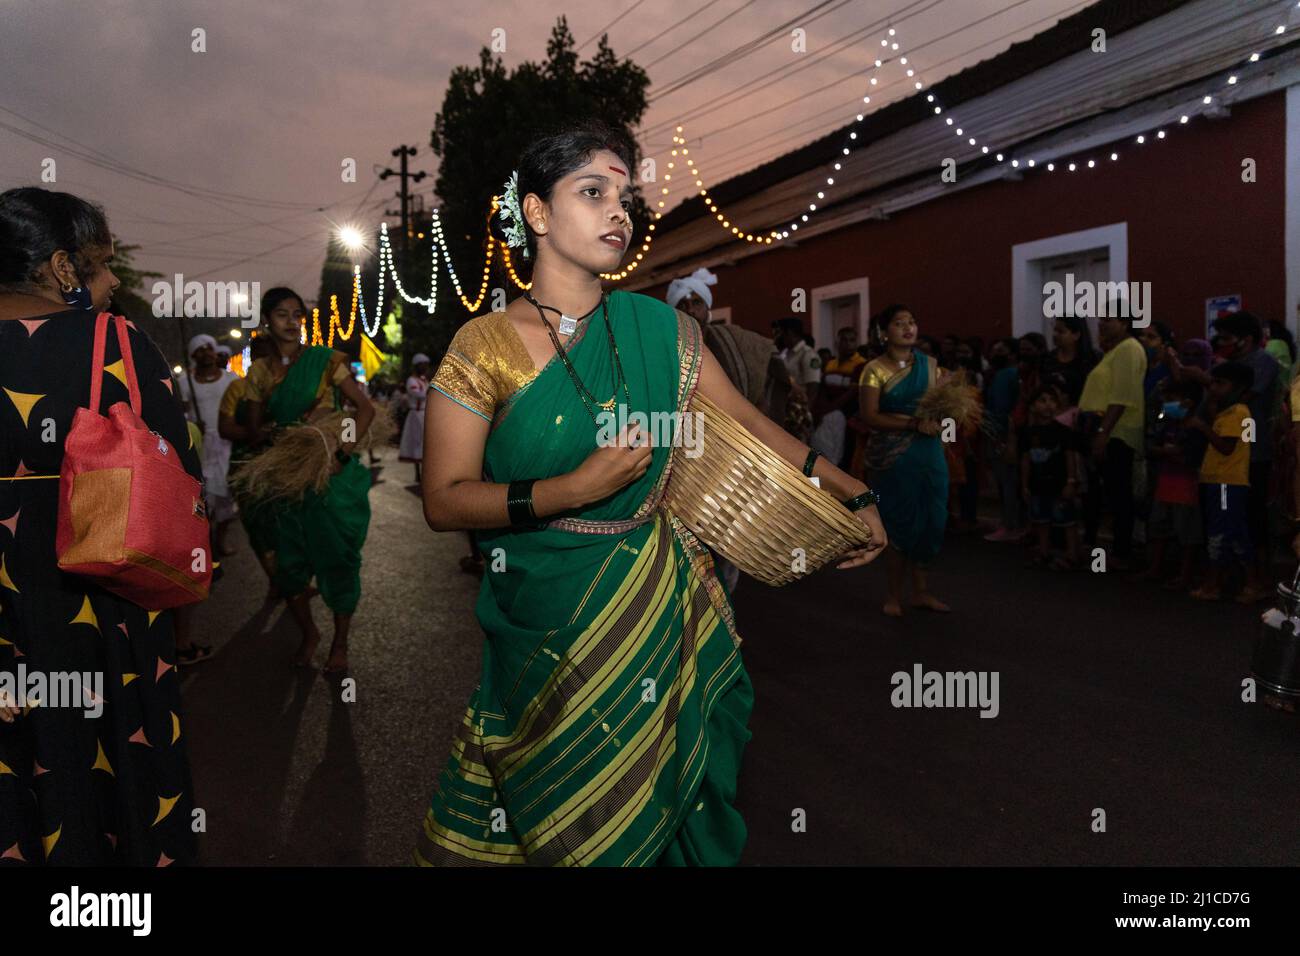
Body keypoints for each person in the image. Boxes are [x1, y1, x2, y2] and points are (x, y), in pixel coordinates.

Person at [413, 121, 885, 867]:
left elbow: (750, 424)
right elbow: (443, 499)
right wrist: (568, 490)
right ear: (537, 214)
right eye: (594, 192)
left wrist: (852, 491)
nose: (619, 213)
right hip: (545, 620)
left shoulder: (658, 329)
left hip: (655, 604)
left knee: (660, 801)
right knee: (559, 809)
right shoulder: (484, 347)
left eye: (626, 197)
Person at [0, 186, 199, 864]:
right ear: (62, 269)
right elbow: (182, 475)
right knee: (118, 799)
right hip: (105, 624)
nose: (112, 281)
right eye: (102, 263)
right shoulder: (116, 344)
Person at [243, 287, 376, 673]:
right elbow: (253, 432)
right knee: (289, 566)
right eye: (282, 314)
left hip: (330, 475)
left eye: (297, 314)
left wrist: (341, 453)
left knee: (338, 558)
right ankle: (309, 633)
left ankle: (339, 643)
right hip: (287, 478)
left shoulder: (324, 361)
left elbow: (363, 409)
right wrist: (282, 431)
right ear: (267, 321)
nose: (291, 322)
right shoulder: (259, 373)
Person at [665, 267, 781, 595]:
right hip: (680, 463)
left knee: (725, 542)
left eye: (696, 303)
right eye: (683, 304)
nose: (690, 309)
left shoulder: (733, 345)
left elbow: (767, 386)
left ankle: (720, 616)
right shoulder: (663, 349)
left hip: (730, 462)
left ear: (707, 309)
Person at [860, 304, 949, 616]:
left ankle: (921, 591)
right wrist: (912, 424)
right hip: (893, 456)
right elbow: (870, 416)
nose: (908, 327)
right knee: (898, 519)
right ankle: (894, 594)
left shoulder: (931, 366)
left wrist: (950, 405)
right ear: (885, 332)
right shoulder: (874, 370)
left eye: (912, 321)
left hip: (929, 451)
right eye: (899, 323)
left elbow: (941, 409)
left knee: (932, 517)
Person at [1188, 362, 1266, 602]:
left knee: (1221, 534)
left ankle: (1216, 585)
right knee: (1233, 532)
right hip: (1221, 481)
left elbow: (1225, 448)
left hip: (1226, 483)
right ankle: (1246, 584)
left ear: (1239, 387)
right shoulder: (1228, 412)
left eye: (1220, 383)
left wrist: (1202, 427)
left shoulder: (1238, 412)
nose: (1214, 388)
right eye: (1213, 382)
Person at [1078, 312, 1147, 570]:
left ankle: (1122, 552)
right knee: (1109, 493)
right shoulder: (1115, 351)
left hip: (1118, 431)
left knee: (1120, 495)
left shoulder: (1129, 349)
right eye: (1101, 319)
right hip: (1106, 429)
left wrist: (1102, 433)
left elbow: (1122, 396)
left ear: (1125, 323)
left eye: (1109, 319)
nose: (1102, 324)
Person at [218, 332, 280, 593]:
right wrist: (259, 433)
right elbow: (225, 428)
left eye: (267, 355)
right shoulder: (237, 389)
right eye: (258, 355)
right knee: (256, 524)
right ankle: (276, 581)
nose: (261, 361)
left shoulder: (285, 386)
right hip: (247, 465)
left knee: (284, 525)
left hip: (282, 465)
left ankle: (292, 580)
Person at [1133, 379, 1204, 589]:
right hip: (1166, 482)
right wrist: (1168, 452)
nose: (1166, 403)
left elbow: (1189, 457)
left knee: (1187, 533)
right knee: (1159, 527)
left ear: (1188, 403)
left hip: (1186, 486)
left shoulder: (1196, 428)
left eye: (1171, 399)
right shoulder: (1168, 424)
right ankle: (1155, 569)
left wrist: (1166, 452)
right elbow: (1153, 448)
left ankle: (1185, 575)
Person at [178, 333, 239, 556]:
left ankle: (220, 539)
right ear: (193, 355)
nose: (205, 353)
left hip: (227, 443)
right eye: (199, 349)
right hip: (201, 446)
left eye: (208, 348)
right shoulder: (185, 383)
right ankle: (204, 543)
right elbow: (179, 414)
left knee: (226, 497)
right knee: (204, 497)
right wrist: (191, 424)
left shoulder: (231, 379)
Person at [1018, 385, 1083, 570]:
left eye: (1052, 400)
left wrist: (1071, 480)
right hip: (1038, 483)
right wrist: (1024, 485)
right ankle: (1044, 551)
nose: (1048, 405)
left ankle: (1072, 555)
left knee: (1066, 519)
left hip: (1059, 482)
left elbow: (1070, 457)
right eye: (1043, 400)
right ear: (1032, 406)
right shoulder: (1028, 433)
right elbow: (1025, 460)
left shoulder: (1063, 431)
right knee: (1042, 519)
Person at [774, 316, 819, 441]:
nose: (779, 337)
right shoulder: (786, 354)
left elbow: (813, 387)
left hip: (799, 413)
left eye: (781, 333)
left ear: (789, 333)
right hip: (786, 411)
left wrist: (805, 416)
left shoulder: (808, 354)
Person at [398, 353, 431, 483]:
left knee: (425, 443)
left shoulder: (424, 380)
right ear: (417, 366)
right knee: (417, 443)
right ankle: (418, 473)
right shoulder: (411, 381)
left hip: (424, 415)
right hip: (416, 415)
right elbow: (421, 395)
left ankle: (425, 472)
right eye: (423, 365)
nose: (425, 368)